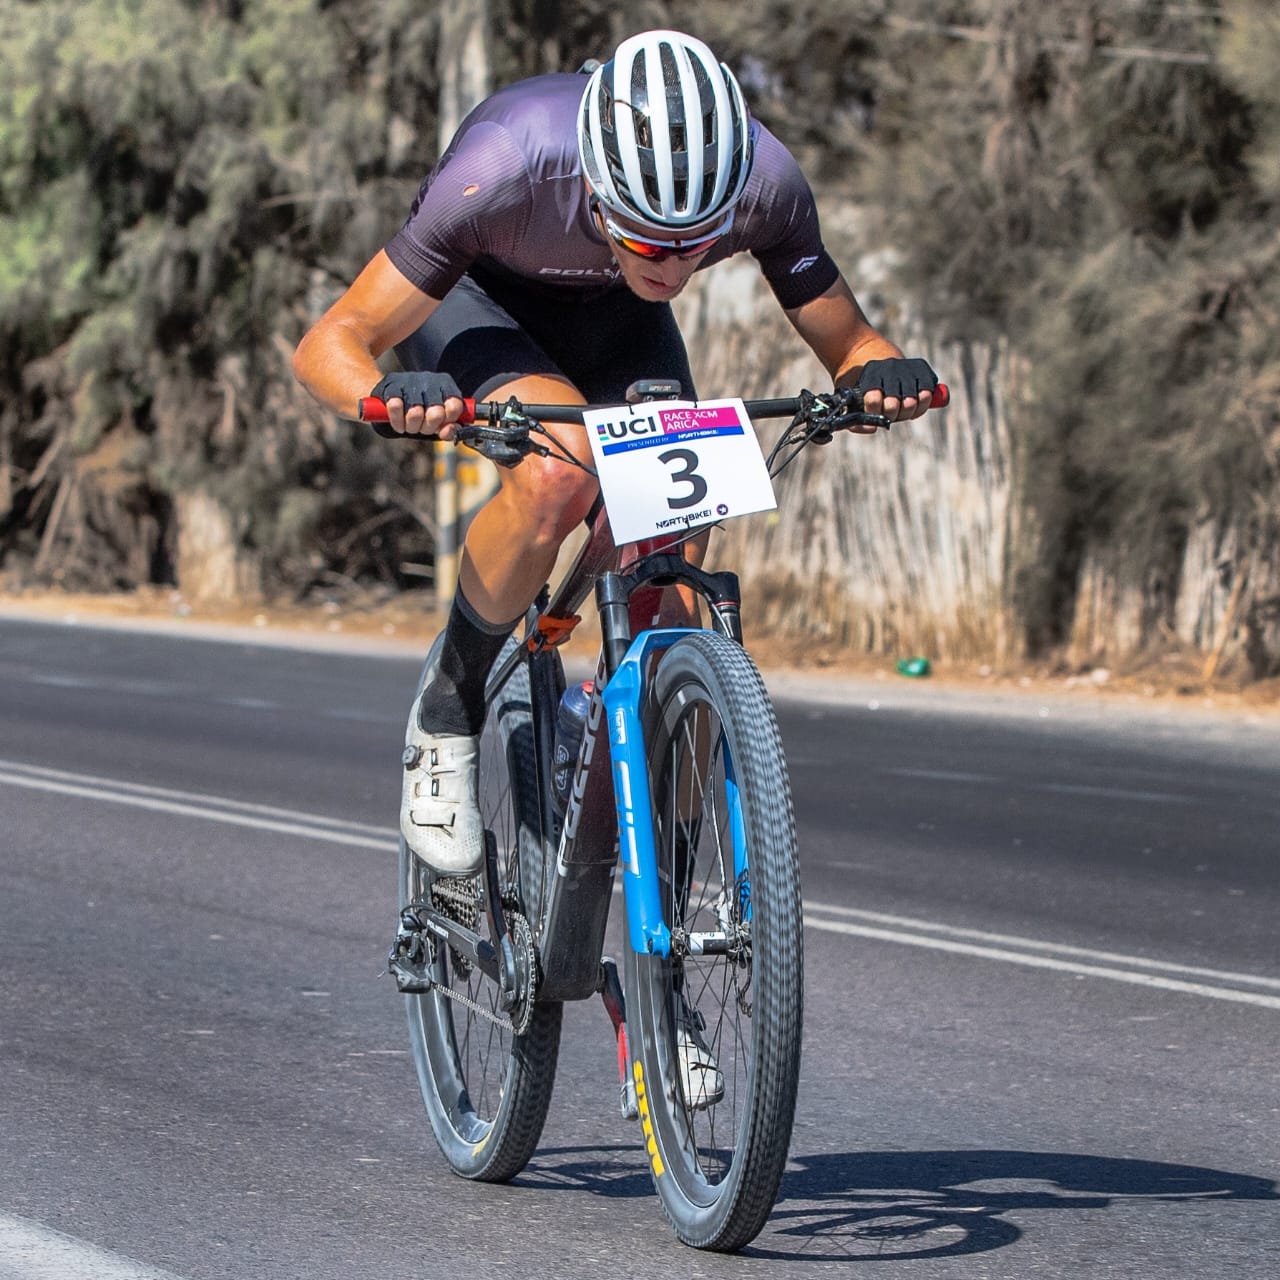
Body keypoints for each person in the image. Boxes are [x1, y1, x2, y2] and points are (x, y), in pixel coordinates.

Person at [293, 29, 939, 880]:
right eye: (648, 239)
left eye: (696, 244)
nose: (674, 266)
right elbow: (332, 340)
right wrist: (385, 393)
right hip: (480, 305)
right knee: (559, 473)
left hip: (620, 322)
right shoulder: (507, 165)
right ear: (597, 194)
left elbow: (851, 345)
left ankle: (642, 806)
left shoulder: (766, 183)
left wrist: (879, 376)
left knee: (679, 549)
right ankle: (448, 710)